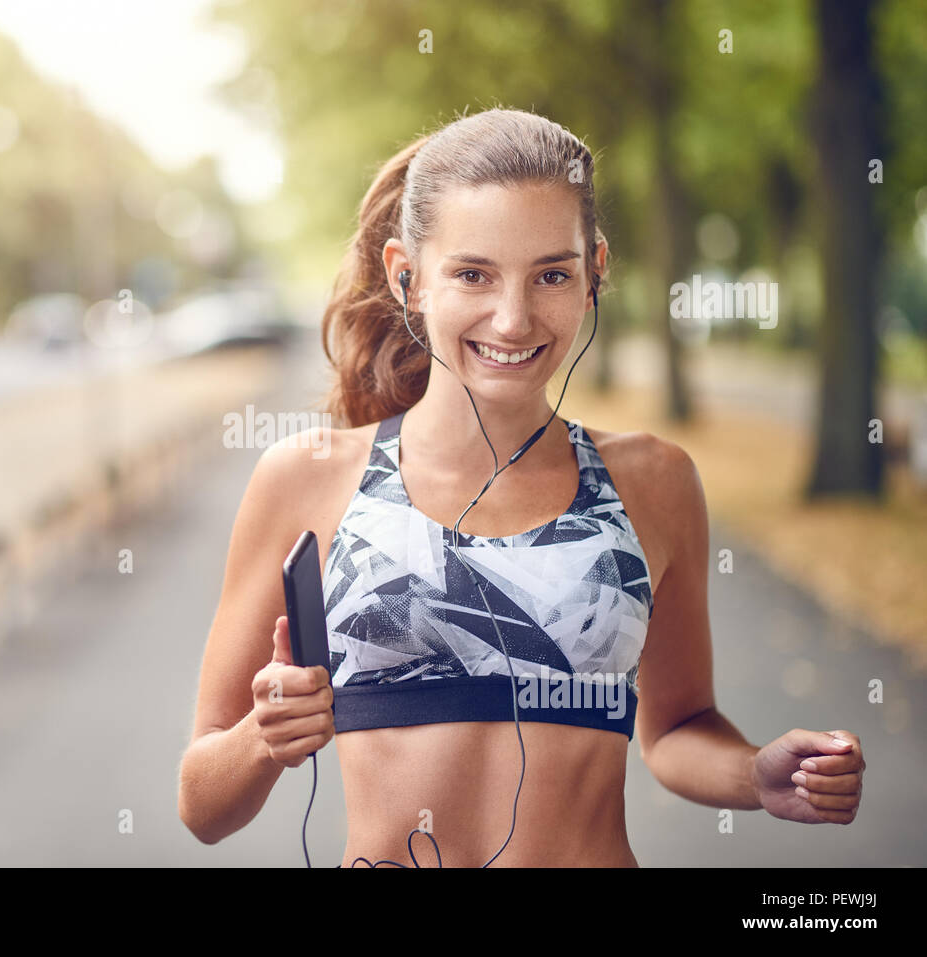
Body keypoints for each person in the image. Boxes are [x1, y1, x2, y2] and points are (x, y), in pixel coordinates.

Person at [177, 107, 865, 867]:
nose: (513, 319)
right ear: (407, 276)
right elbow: (203, 806)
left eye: (552, 275)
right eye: (472, 274)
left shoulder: (655, 482)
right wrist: (261, 737)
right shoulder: (303, 479)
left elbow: (674, 727)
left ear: (595, 270)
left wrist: (755, 773)